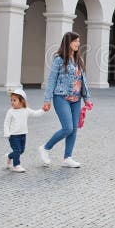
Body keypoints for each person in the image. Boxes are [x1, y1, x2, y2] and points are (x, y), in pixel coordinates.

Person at [39, 31, 92, 168]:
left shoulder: (79, 60)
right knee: (67, 128)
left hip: (76, 99)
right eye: (75, 41)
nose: (78, 43)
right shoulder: (59, 59)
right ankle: (45, 147)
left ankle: (67, 157)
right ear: (68, 42)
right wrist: (47, 100)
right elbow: (51, 80)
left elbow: (83, 80)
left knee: (74, 129)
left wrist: (87, 98)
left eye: (79, 41)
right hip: (61, 97)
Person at [3, 88, 46, 172]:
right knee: (17, 150)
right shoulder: (10, 111)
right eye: (11, 100)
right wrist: (7, 133)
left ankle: (9, 156)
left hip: (23, 135)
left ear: (22, 101)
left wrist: (43, 110)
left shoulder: (26, 110)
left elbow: (36, 113)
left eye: (14, 100)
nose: (12, 102)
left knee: (21, 151)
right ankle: (16, 165)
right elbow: (6, 122)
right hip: (13, 135)